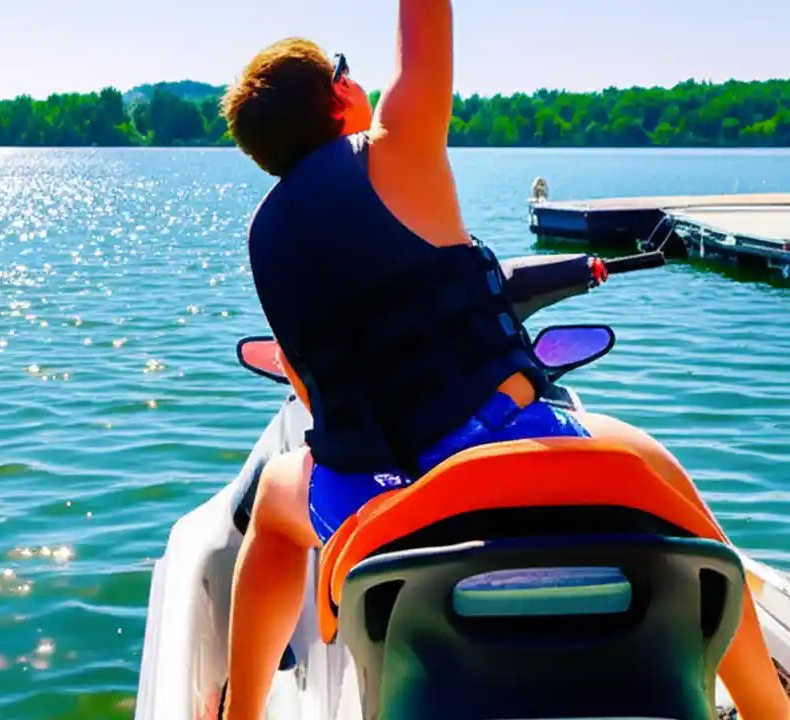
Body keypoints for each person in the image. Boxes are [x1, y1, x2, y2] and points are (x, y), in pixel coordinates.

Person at [216, 3, 790, 720]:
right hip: (504, 449)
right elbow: (425, 27)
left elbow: (312, 395)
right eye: (343, 68)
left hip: (372, 502)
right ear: (338, 93)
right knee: (661, 471)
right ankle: (770, 708)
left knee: (275, 501)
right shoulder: (396, 148)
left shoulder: (265, 237)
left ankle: (241, 712)